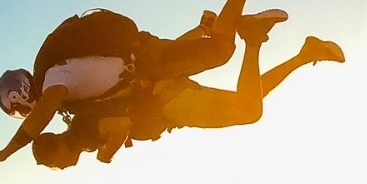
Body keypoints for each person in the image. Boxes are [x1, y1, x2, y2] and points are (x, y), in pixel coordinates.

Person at [0, 0, 286, 168]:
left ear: (20, 94)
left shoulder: (54, 79)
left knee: (227, 64)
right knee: (226, 62)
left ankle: (247, 1)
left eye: (20, 109)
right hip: (147, 67)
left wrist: (6, 151)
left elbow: (42, 117)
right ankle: (245, 21)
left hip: (147, 61)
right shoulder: (65, 90)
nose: (26, 114)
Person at [27, 13, 345, 169]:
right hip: (166, 94)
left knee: (248, 109)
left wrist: (106, 154)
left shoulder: (82, 132)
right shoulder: (78, 117)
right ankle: (304, 55)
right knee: (250, 98)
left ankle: (252, 38)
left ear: (56, 149)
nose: (57, 168)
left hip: (171, 105)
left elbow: (121, 124)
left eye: (51, 163)